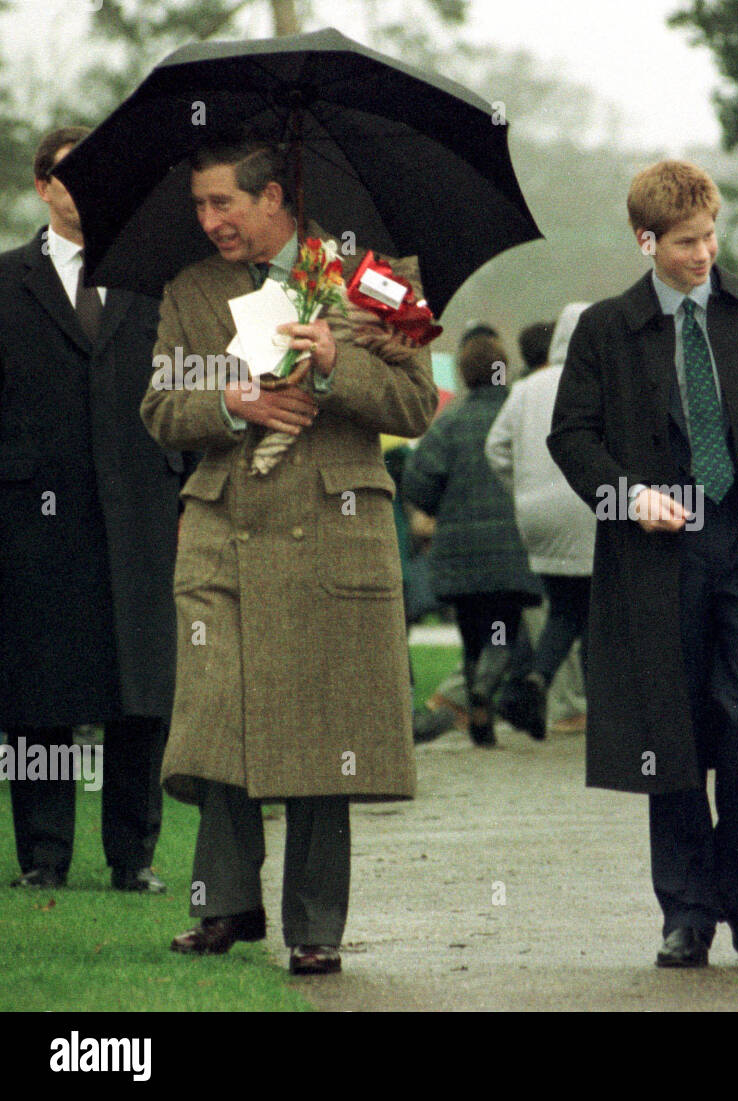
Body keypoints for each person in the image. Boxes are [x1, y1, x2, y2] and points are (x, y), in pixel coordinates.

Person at [140, 137, 436, 975]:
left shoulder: (373, 277)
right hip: (223, 532)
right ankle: (222, 906)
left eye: (223, 203)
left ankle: (316, 927)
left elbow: (416, 403)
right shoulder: (189, 291)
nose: (209, 221)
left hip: (333, 530)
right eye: (200, 206)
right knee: (218, 720)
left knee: (321, 732)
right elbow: (160, 408)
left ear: (275, 199)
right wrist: (232, 403)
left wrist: (341, 365)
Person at [549, 159, 738, 968]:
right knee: (666, 731)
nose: (704, 253)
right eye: (684, 242)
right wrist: (626, 496)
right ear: (646, 242)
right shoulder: (607, 328)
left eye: (710, 236)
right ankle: (685, 910)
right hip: (655, 555)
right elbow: (571, 437)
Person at [0, 126, 177, 893]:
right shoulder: (6, 281)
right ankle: (44, 854)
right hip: (33, 518)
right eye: (72, 178)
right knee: (41, 684)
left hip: (142, 509)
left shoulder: (160, 282)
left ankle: (133, 856)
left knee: (144, 686)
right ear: (43, 187)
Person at [403, 334, 543, 746]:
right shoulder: (520, 418)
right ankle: (485, 688)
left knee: (471, 633)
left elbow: (417, 480)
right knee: (503, 628)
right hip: (511, 547)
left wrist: (436, 505)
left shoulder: (450, 423)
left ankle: (480, 725)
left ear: (464, 374)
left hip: (459, 553)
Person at [486, 303, 596, 740]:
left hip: (537, 513)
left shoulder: (528, 387)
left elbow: (496, 447)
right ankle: (601, 708)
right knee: (598, 610)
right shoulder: (602, 382)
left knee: (566, 607)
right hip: (591, 507)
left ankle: (534, 679)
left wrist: (524, 486)